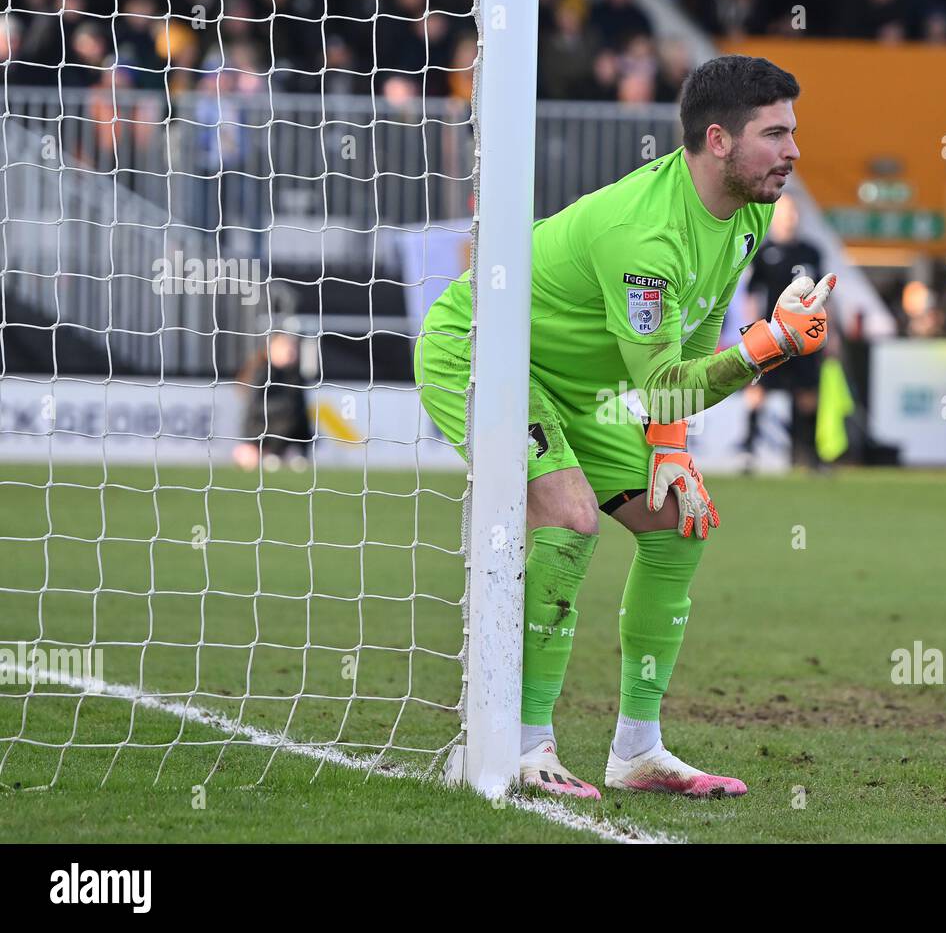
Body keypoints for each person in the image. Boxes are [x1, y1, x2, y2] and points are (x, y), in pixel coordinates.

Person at [413, 55, 833, 800]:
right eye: (776, 134)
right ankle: (523, 744)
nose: (794, 150)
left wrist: (669, 448)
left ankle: (638, 750)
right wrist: (770, 344)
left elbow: (695, 339)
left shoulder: (752, 208)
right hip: (478, 356)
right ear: (719, 141)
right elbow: (668, 379)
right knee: (572, 521)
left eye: (794, 131)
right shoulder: (645, 239)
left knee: (680, 522)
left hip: (580, 385)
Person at [741, 194, 825, 469]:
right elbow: (753, 294)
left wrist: (829, 334)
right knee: (758, 391)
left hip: (805, 336)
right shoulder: (764, 253)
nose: (790, 217)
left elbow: (823, 296)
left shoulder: (811, 252)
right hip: (774, 334)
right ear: (775, 217)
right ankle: (749, 450)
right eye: (784, 212)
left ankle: (807, 455)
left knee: (807, 394)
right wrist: (752, 331)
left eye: (793, 212)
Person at [233, 331, 313, 472]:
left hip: (290, 436)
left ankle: (289, 451)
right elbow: (253, 410)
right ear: (270, 349)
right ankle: (262, 452)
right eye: (283, 347)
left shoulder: (296, 376)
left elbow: (302, 412)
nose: (290, 351)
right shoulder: (261, 373)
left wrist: (305, 443)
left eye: (292, 347)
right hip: (262, 432)